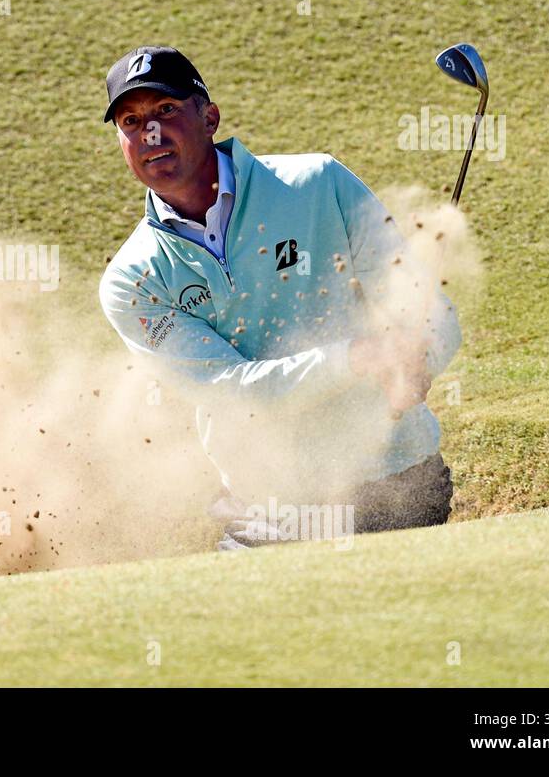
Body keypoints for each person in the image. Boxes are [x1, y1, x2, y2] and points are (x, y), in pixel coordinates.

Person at [97, 46, 461, 548]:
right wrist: (356, 359)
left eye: (165, 111)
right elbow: (234, 394)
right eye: (131, 121)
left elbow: (427, 308)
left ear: (209, 117)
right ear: (121, 143)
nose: (150, 133)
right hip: (267, 503)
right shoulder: (133, 280)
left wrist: (422, 357)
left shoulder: (316, 184)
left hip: (395, 479)